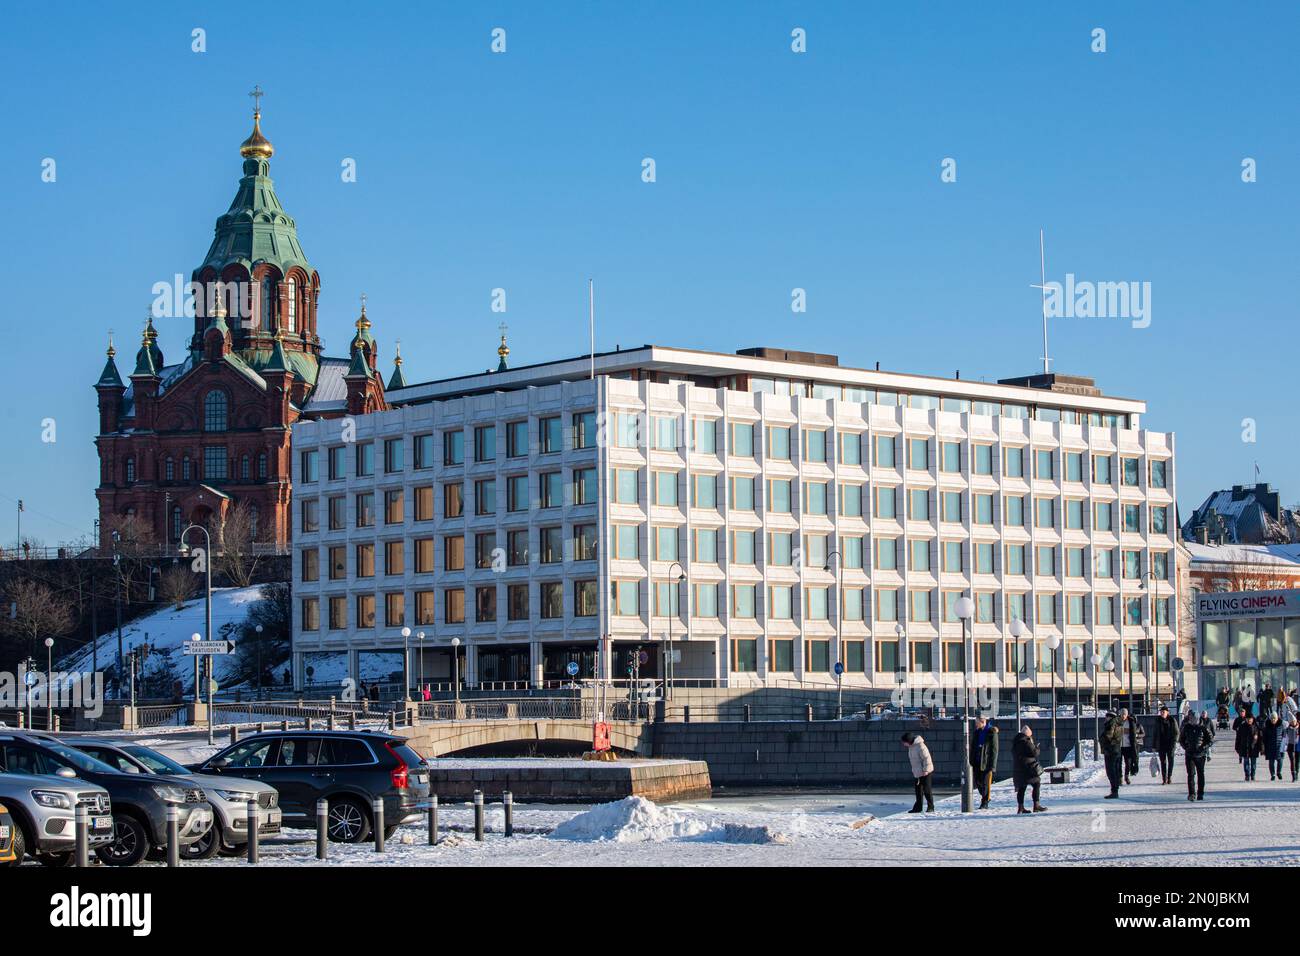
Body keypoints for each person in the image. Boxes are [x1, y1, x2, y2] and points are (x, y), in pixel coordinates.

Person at [1011, 725, 1045, 813]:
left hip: (1018, 768)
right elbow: (1035, 753)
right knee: (1036, 784)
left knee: (1022, 788)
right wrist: (1036, 747)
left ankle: (1020, 807)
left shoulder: (1016, 741)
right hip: (1028, 769)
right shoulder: (1026, 741)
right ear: (1028, 735)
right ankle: (1036, 805)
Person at [1179, 710, 1211, 802]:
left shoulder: (1203, 727)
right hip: (1190, 755)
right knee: (1191, 775)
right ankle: (1191, 794)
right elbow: (1181, 739)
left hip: (1200, 755)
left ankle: (1200, 793)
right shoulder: (1186, 727)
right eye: (1190, 718)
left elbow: (1210, 739)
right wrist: (1186, 747)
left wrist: (1203, 747)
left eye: (1193, 718)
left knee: (1200, 774)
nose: (1191, 720)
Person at [968, 716, 999, 809]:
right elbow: (973, 747)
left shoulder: (991, 732)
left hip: (986, 762)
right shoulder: (977, 732)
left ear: (982, 722)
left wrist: (992, 766)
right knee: (978, 782)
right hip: (977, 761)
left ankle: (984, 802)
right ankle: (985, 797)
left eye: (977, 723)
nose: (976, 725)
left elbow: (994, 750)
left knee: (985, 783)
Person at [902, 732, 935, 813]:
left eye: (904, 742)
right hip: (918, 772)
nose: (903, 744)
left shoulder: (921, 746)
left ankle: (931, 807)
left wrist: (926, 770)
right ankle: (918, 808)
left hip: (926, 772)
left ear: (909, 741)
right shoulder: (911, 747)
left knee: (927, 790)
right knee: (918, 791)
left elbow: (926, 758)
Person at [1101, 709, 1125, 798]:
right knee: (1115, 770)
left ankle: (1114, 791)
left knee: (1110, 771)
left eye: (1106, 717)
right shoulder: (1119, 723)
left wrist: (1102, 739)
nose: (1105, 719)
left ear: (1110, 717)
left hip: (1110, 750)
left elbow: (1108, 735)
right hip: (1117, 749)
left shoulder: (1111, 724)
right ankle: (1115, 790)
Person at [1153, 705, 1179, 784]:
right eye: (1161, 712)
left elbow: (1176, 732)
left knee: (1171, 761)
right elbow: (1155, 733)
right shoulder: (1158, 721)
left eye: (1164, 712)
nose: (1162, 713)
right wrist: (1154, 745)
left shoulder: (1172, 720)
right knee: (1163, 762)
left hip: (1170, 744)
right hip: (1161, 744)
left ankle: (1169, 776)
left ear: (1167, 712)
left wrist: (1174, 742)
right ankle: (1164, 778)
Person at [1119, 708, 1144, 784]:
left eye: (1125, 714)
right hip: (1119, 746)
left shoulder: (1130, 722)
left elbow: (1139, 733)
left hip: (1128, 746)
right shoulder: (1117, 722)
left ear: (1127, 715)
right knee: (1118, 763)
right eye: (1122, 714)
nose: (1123, 716)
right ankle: (1120, 777)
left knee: (1128, 762)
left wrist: (1135, 738)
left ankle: (1126, 776)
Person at [1235, 712, 1262, 781]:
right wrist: (1237, 747)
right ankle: (1247, 775)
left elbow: (1259, 738)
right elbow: (1238, 738)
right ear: (1246, 719)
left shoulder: (1256, 727)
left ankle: (1253, 775)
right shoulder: (1242, 727)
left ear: (1252, 719)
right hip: (1245, 747)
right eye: (1248, 719)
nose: (1249, 720)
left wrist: (1261, 747)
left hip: (1254, 748)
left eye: (1250, 719)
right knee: (1246, 763)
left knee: (1253, 763)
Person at [1263, 711, 1286, 780]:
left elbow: (1284, 736)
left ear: (1277, 718)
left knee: (1280, 760)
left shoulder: (1281, 725)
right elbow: (1265, 738)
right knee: (1271, 761)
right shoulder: (1267, 726)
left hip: (1279, 746)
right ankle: (1272, 774)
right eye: (1272, 718)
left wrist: (1284, 745)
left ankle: (1279, 772)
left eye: (1274, 718)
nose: (1273, 720)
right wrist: (1264, 747)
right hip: (1270, 746)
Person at [1287, 717, 1300, 782]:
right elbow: (1285, 737)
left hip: (1298, 746)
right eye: (1291, 721)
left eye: (1294, 721)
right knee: (1292, 760)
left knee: (1297, 761)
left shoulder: (1298, 728)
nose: (1293, 722)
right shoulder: (1288, 729)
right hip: (1290, 746)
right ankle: (1293, 776)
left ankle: (1296, 774)